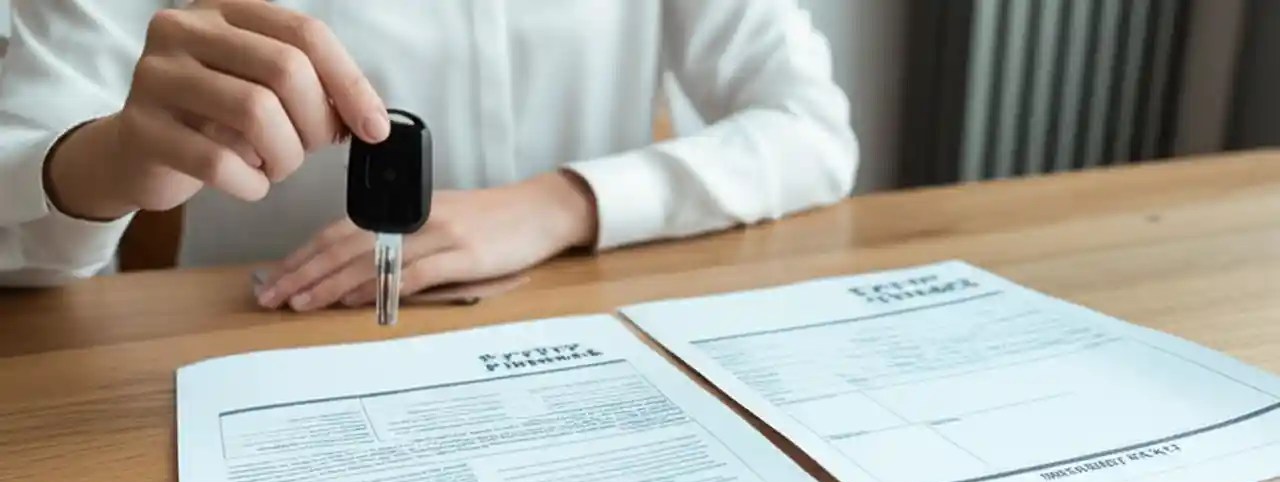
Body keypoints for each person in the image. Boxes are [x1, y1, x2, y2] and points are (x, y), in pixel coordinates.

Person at [0, 0, 857, 311]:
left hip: (584, 339)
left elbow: (812, 128)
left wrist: (561, 204)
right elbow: (18, 190)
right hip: (263, 352)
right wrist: (102, 162)